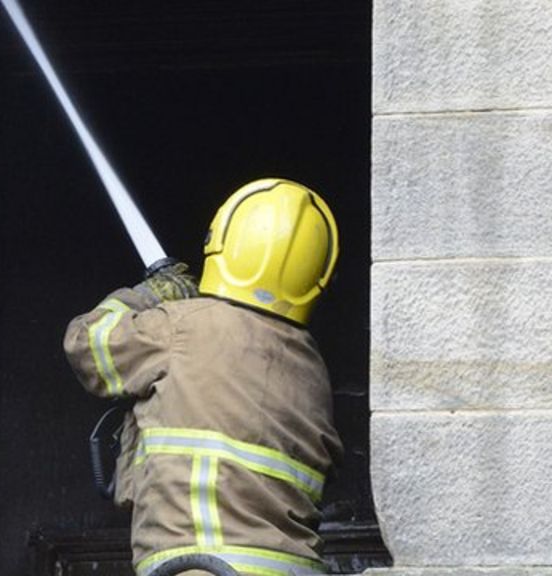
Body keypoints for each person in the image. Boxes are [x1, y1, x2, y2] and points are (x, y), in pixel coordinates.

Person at [64, 179, 344, 576]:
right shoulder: (310, 365)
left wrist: (152, 295)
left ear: (223, 243)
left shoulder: (181, 327)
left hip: (203, 567)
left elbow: (86, 343)